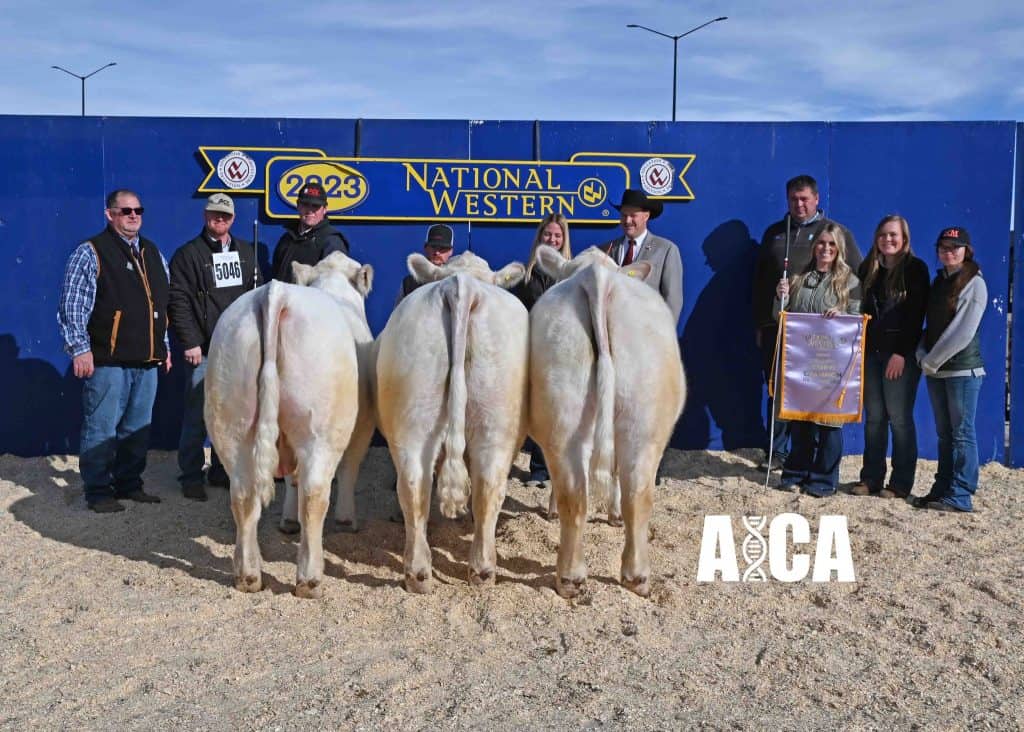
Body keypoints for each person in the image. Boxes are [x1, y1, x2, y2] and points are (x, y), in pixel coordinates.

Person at [58, 189, 171, 513]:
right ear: (110, 214)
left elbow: (159, 304)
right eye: (125, 211)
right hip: (108, 361)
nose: (133, 215)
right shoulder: (91, 252)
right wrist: (80, 349)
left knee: (137, 428)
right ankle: (97, 491)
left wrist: (162, 345)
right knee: (102, 426)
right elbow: (73, 306)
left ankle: (130, 484)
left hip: (147, 361)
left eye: (138, 210)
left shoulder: (152, 252)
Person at [753, 174, 862, 471]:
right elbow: (761, 281)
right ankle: (777, 451)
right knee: (779, 390)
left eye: (804, 199)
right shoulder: (775, 233)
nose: (799, 204)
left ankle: (811, 455)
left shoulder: (836, 232)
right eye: (793, 199)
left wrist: (843, 314)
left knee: (814, 393)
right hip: (781, 327)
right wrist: (762, 323)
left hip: (822, 335)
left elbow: (854, 278)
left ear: (816, 199)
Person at [168, 193, 262, 501]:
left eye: (224, 215)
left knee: (234, 415)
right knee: (198, 413)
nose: (218, 219)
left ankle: (222, 470)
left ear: (232, 219)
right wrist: (191, 341)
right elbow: (178, 301)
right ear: (205, 215)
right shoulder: (188, 254)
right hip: (205, 351)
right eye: (213, 214)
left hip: (238, 352)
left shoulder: (247, 253)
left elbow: (256, 297)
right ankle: (190, 475)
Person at [773, 223, 861, 497]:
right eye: (822, 243)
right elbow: (780, 318)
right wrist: (780, 297)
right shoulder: (798, 279)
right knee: (801, 423)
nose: (826, 249)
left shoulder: (850, 282)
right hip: (802, 364)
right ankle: (795, 472)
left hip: (832, 365)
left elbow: (858, 322)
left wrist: (843, 315)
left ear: (839, 249)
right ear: (814, 247)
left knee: (828, 426)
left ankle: (823, 479)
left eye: (832, 245)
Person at [852, 215, 930, 498]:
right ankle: (871, 477)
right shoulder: (868, 269)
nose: (888, 240)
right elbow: (857, 307)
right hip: (871, 354)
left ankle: (900, 483)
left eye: (894, 235)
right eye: (883, 234)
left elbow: (916, 315)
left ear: (904, 239)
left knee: (899, 418)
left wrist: (901, 352)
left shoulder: (915, 270)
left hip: (900, 356)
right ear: (876, 238)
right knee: (874, 418)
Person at [913, 226, 987, 513]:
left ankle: (961, 493)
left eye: (955, 247)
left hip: (961, 372)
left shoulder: (974, 283)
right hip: (937, 371)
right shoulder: (940, 281)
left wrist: (930, 360)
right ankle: (942, 488)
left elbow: (963, 332)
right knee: (945, 434)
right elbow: (932, 327)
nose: (949, 251)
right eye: (943, 247)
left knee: (962, 433)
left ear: (966, 250)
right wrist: (922, 351)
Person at [513, 214, 572, 483]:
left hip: (562, 354)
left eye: (557, 235)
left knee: (557, 412)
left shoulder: (571, 275)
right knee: (536, 409)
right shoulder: (526, 275)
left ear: (564, 239)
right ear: (539, 237)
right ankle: (538, 470)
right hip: (531, 351)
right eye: (548, 235)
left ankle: (551, 469)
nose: (552, 239)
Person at [598, 189, 683, 324]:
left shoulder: (666, 249)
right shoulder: (607, 250)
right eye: (624, 215)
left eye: (633, 215)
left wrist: (663, 335)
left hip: (648, 335)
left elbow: (673, 300)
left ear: (646, 216)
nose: (627, 220)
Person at [270, 181, 349, 283]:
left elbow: (335, 286)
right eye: (305, 204)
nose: (310, 210)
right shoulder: (287, 238)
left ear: (324, 209)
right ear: (298, 205)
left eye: (315, 206)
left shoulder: (332, 241)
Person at [395, 224, 455, 305]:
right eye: (433, 247)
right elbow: (398, 315)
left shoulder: (456, 281)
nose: (437, 253)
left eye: (442, 248)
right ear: (425, 248)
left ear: (451, 251)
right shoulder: (408, 283)